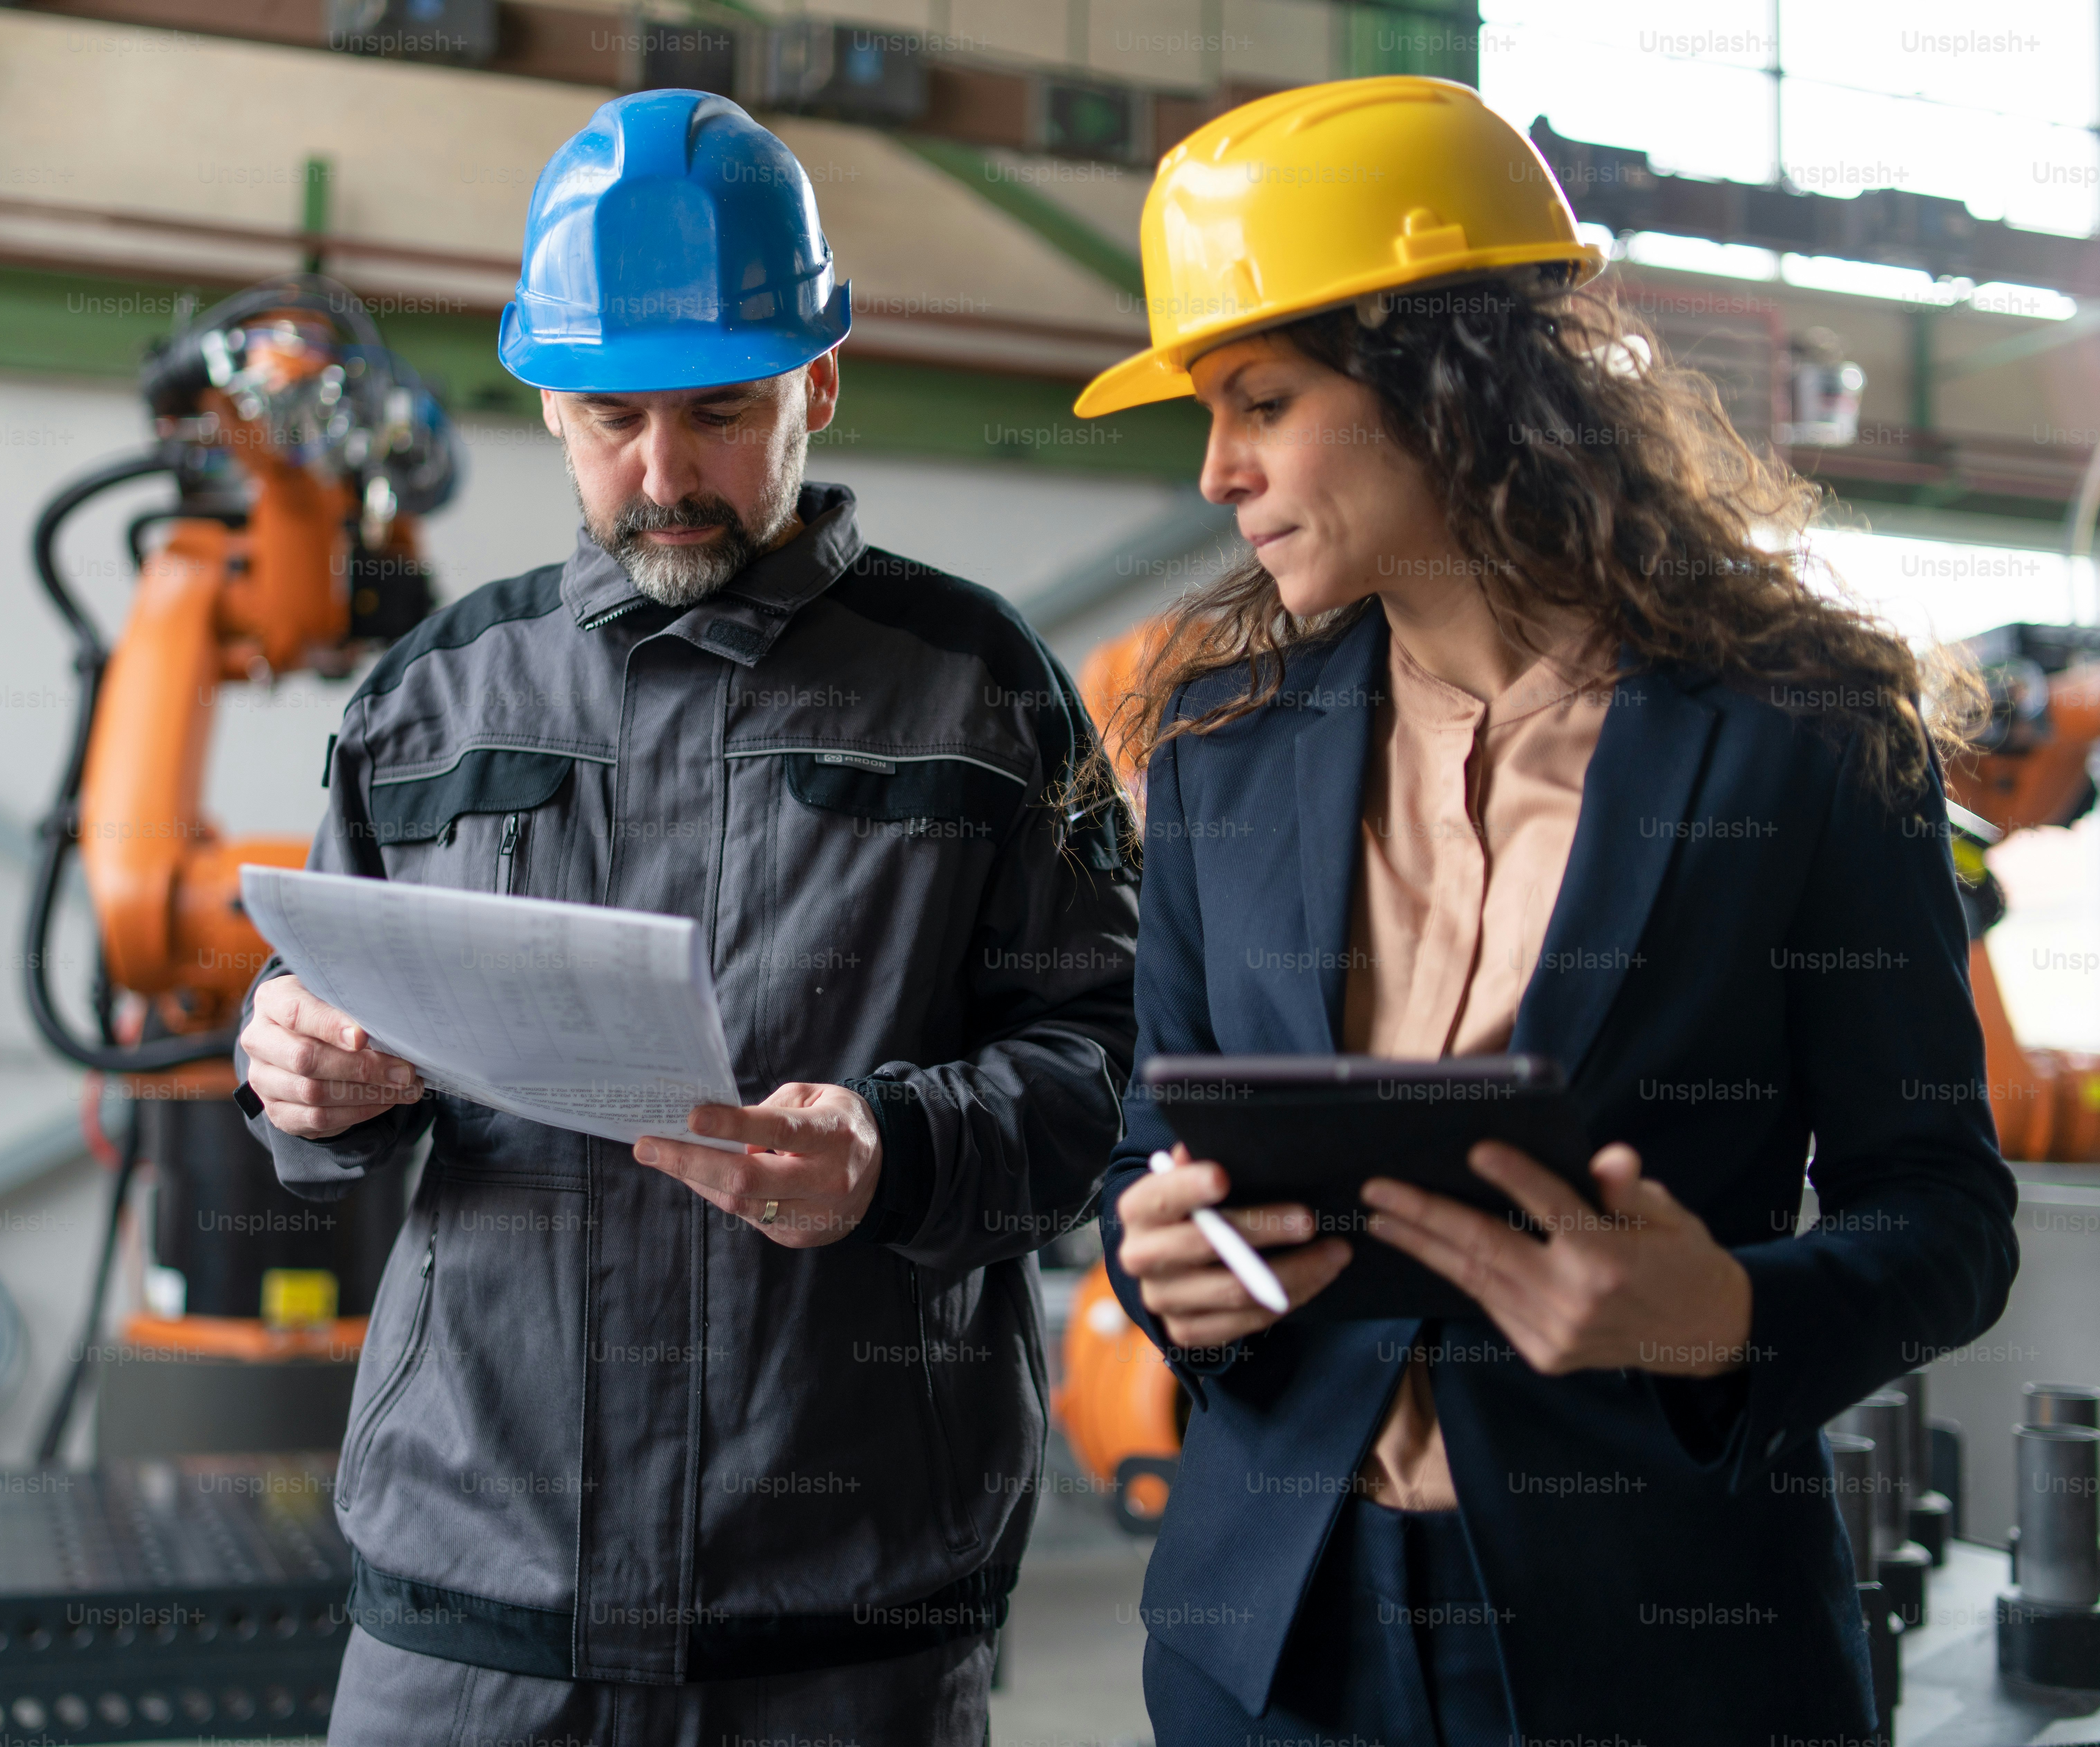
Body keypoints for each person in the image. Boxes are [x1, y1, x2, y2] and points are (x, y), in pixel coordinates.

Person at [1075, 77, 2019, 1743]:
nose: (1218, 472)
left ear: (1449, 386)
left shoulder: (1797, 738)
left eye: (1262, 401)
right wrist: (1158, 1257)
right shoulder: (1225, 753)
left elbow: (1941, 1211)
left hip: (1663, 1650)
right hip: (1270, 1642)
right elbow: (1156, 1145)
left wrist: (1722, 1312)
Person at [232, 89, 1138, 1745]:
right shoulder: (432, 699)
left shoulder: (979, 690)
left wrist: (896, 1155)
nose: (664, 477)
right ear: (551, 406)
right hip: (472, 1615)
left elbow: (1110, 1067)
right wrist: (288, 1069)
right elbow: (317, 1026)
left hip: (839, 1620)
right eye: (609, 420)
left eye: (720, 411)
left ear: (819, 383)